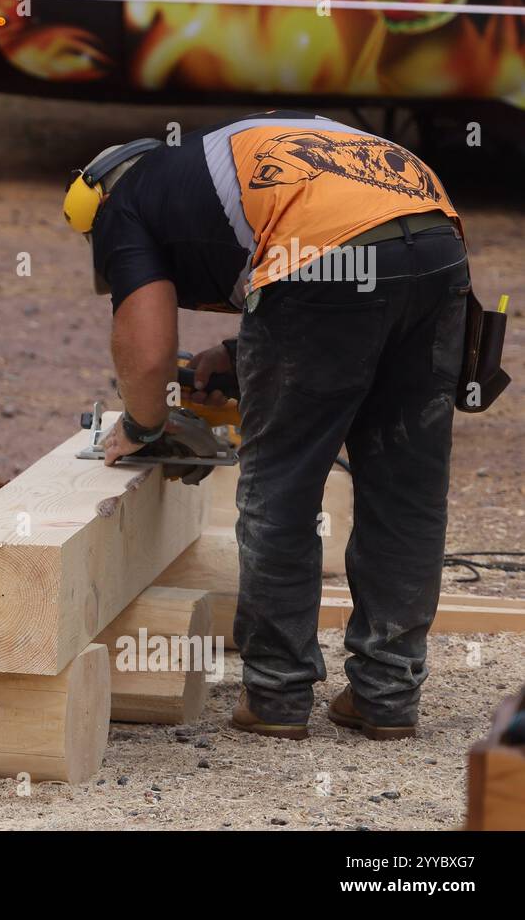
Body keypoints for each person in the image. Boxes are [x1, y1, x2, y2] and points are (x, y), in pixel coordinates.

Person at [63, 110, 469, 740]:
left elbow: (145, 352)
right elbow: (338, 265)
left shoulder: (123, 203)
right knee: (407, 486)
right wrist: (240, 348)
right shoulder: (221, 158)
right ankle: (387, 694)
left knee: (280, 488)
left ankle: (278, 695)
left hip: (322, 254)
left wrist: (143, 427)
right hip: (436, 245)